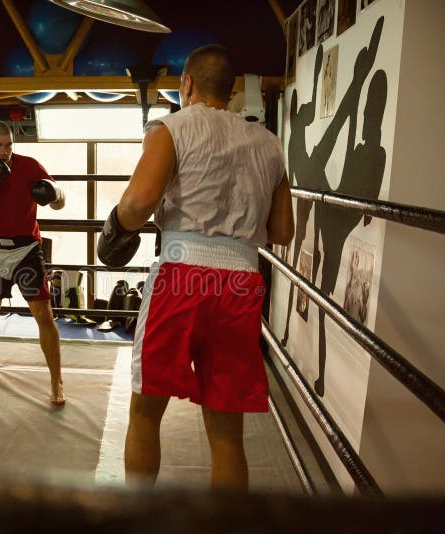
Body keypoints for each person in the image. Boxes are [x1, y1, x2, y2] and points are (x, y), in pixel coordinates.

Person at [97, 44, 294, 488]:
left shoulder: (171, 128)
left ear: (187, 84)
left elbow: (140, 201)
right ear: (232, 92)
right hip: (243, 281)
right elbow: (282, 232)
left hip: (183, 275)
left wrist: (114, 229)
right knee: (227, 431)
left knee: (146, 411)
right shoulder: (269, 144)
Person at [0, 120, 67, 405]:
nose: (4, 151)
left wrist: (53, 193)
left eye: (8, 145)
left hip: (26, 251)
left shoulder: (29, 165)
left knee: (44, 314)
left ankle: (57, 381)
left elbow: (60, 203)